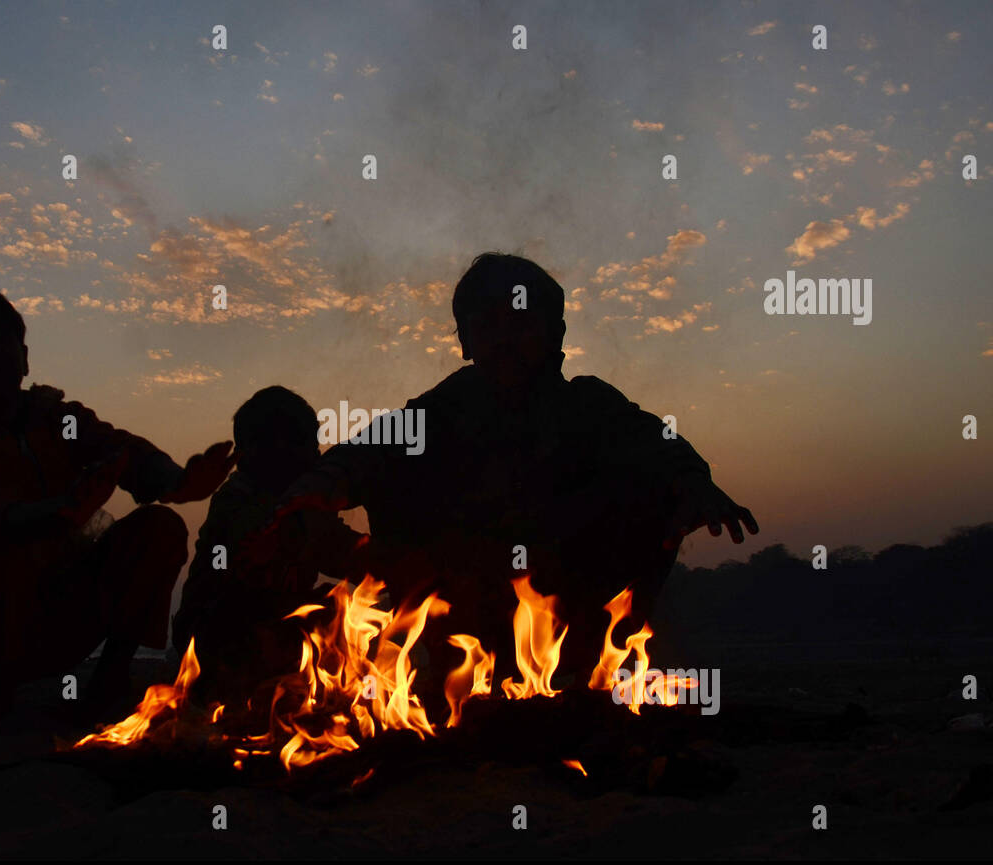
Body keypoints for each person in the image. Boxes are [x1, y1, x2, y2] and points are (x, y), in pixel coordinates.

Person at [271, 253, 758, 691]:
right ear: (465, 341)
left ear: (556, 335)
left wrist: (695, 486)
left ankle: (584, 669)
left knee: (654, 485)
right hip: (465, 609)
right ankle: (459, 671)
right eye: (487, 326)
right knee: (394, 473)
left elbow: (662, 446)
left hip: (573, 602)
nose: (504, 340)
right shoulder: (437, 413)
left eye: (521, 324)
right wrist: (322, 485)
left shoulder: (591, 406)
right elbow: (362, 454)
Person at [0, 281, 234, 722]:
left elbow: (123, 452)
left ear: (23, 358)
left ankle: (110, 682)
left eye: (1, 341)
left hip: (72, 609)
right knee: (1, 559)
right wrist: (59, 514)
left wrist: (180, 483)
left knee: (159, 528)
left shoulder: (56, 420)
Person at [173, 386, 367, 707]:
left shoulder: (303, 505)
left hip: (271, 626)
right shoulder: (237, 502)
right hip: (216, 637)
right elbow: (326, 546)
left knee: (338, 613)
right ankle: (231, 699)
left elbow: (348, 553)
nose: (314, 456)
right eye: (305, 444)